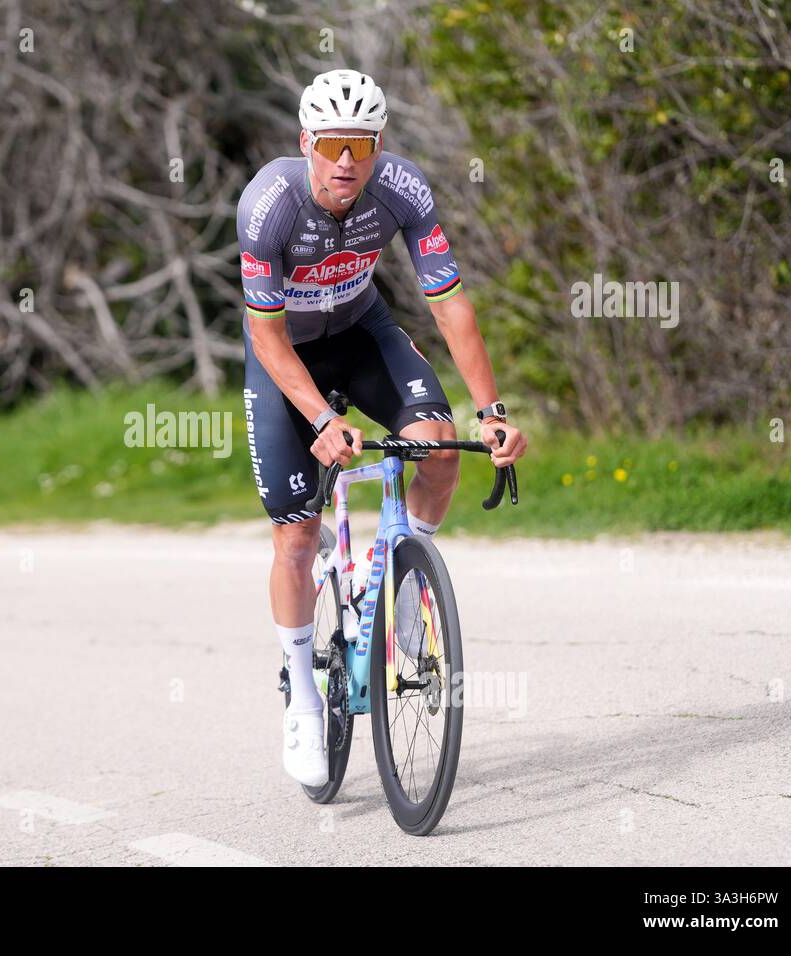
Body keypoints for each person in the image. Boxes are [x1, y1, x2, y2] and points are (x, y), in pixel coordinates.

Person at [237, 69, 529, 787]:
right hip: (287, 356)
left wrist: (492, 414)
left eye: (360, 145)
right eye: (333, 143)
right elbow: (268, 340)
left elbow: (451, 307)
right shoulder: (268, 206)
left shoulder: (402, 189)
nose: (346, 161)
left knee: (439, 446)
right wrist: (323, 417)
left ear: (377, 147)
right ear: (307, 142)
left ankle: (405, 596)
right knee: (297, 535)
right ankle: (303, 696)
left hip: (362, 331)